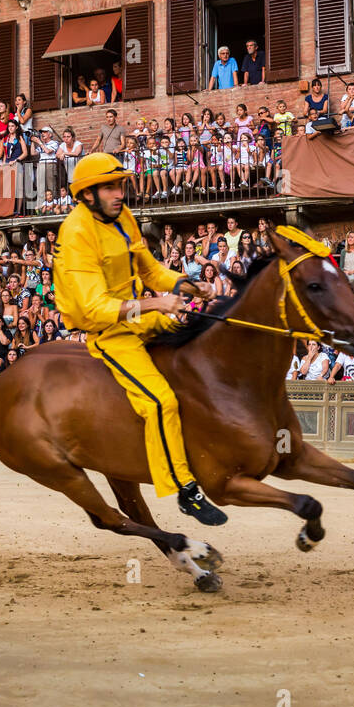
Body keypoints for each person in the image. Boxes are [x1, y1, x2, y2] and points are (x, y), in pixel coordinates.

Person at [53, 152, 225, 524]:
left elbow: (149, 268)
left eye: (121, 186)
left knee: (211, 334)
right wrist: (154, 305)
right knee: (159, 402)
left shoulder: (122, 217)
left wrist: (185, 284)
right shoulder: (76, 233)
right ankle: (185, 489)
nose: (120, 194)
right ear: (87, 195)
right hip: (111, 331)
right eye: (111, 187)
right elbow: (97, 309)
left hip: (143, 314)